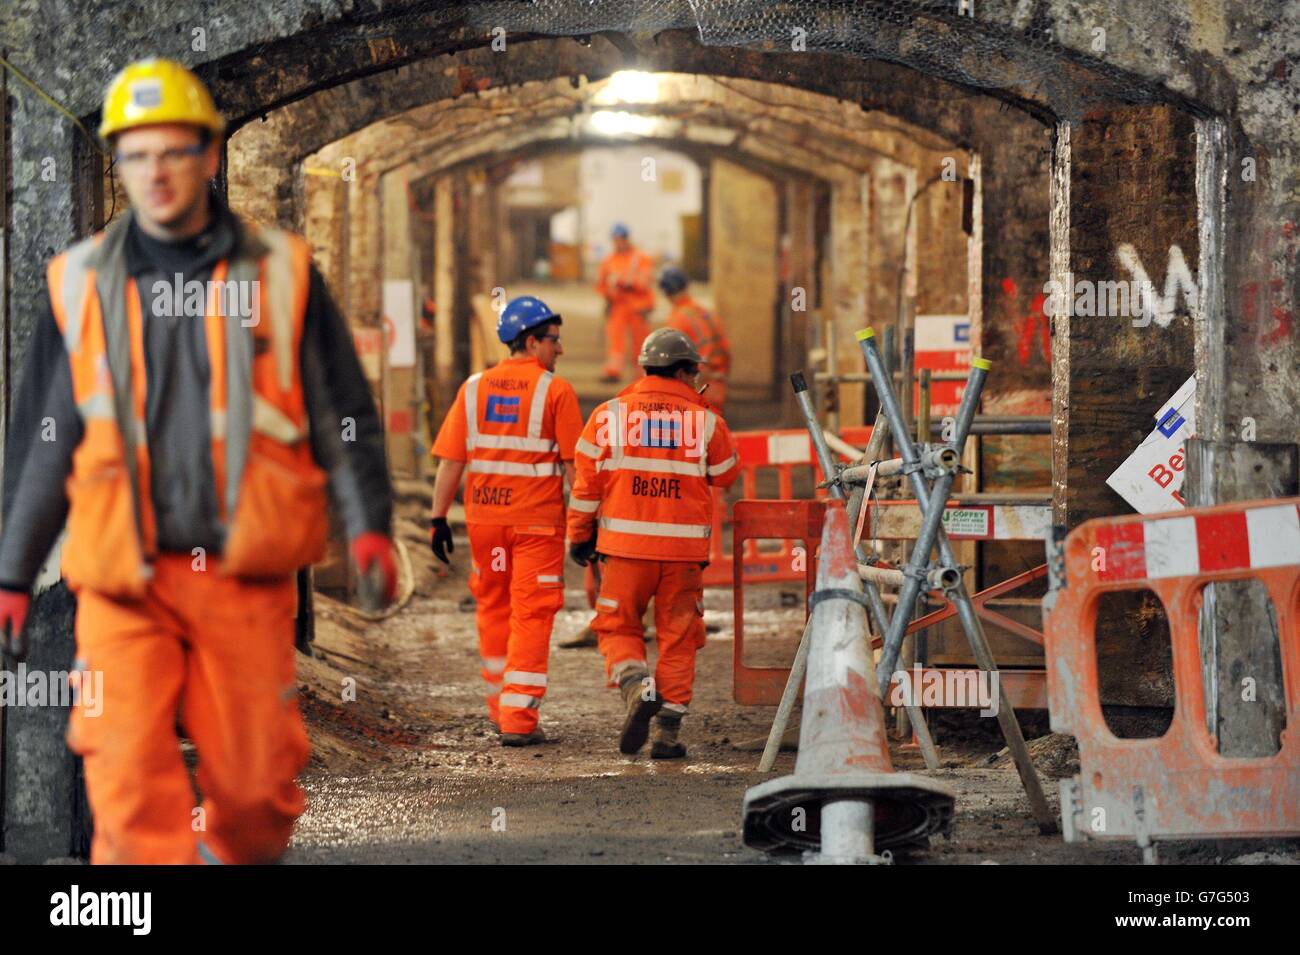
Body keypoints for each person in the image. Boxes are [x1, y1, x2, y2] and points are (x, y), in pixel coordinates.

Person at [0, 58, 395, 864]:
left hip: (242, 579)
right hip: (123, 581)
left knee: (256, 794)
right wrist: (12, 571)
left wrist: (369, 528)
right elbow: (41, 438)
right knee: (127, 783)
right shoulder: (79, 286)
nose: (155, 172)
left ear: (210, 156)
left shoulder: (280, 276)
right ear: (118, 165)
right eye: (136, 155)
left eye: (173, 151)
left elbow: (342, 413)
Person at [566, 328, 739, 759]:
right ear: (683, 371)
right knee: (679, 635)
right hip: (682, 556)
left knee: (618, 625)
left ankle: (636, 685)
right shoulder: (706, 421)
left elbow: (586, 485)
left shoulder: (609, 415)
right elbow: (727, 473)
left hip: (624, 551)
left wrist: (579, 536)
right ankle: (668, 736)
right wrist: (700, 407)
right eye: (693, 374)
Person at [428, 296, 583, 745]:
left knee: (494, 607)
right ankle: (518, 720)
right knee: (532, 613)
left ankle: (500, 707)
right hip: (535, 526)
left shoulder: (473, 387)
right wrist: (588, 525)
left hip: (485, 524)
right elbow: (575, 469)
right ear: (532, 342)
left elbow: (451, 460)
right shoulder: (555, 390)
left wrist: (438, 518)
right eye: (554, 340)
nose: (560, 349)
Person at [659, 265, 731, 411]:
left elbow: (670, 362)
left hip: (695, 389)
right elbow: (726, 351)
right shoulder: (708, 314)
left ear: (666, 292)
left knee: (694, 432)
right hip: (717, 385)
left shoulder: (677, 319)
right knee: (714, 431)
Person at [595, 223, 654, 383]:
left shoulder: (641, 258)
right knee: (615, 340)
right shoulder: (608, 261)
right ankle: (613, 371)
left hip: (637, 307)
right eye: (615, 240)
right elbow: (601, 284)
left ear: (627, 239)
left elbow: (644, 281)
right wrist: (608, 295)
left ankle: (643, 375)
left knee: (640, 342)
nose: (618, 243)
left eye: (620, 239)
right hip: (618, 306)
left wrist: (625, 283)